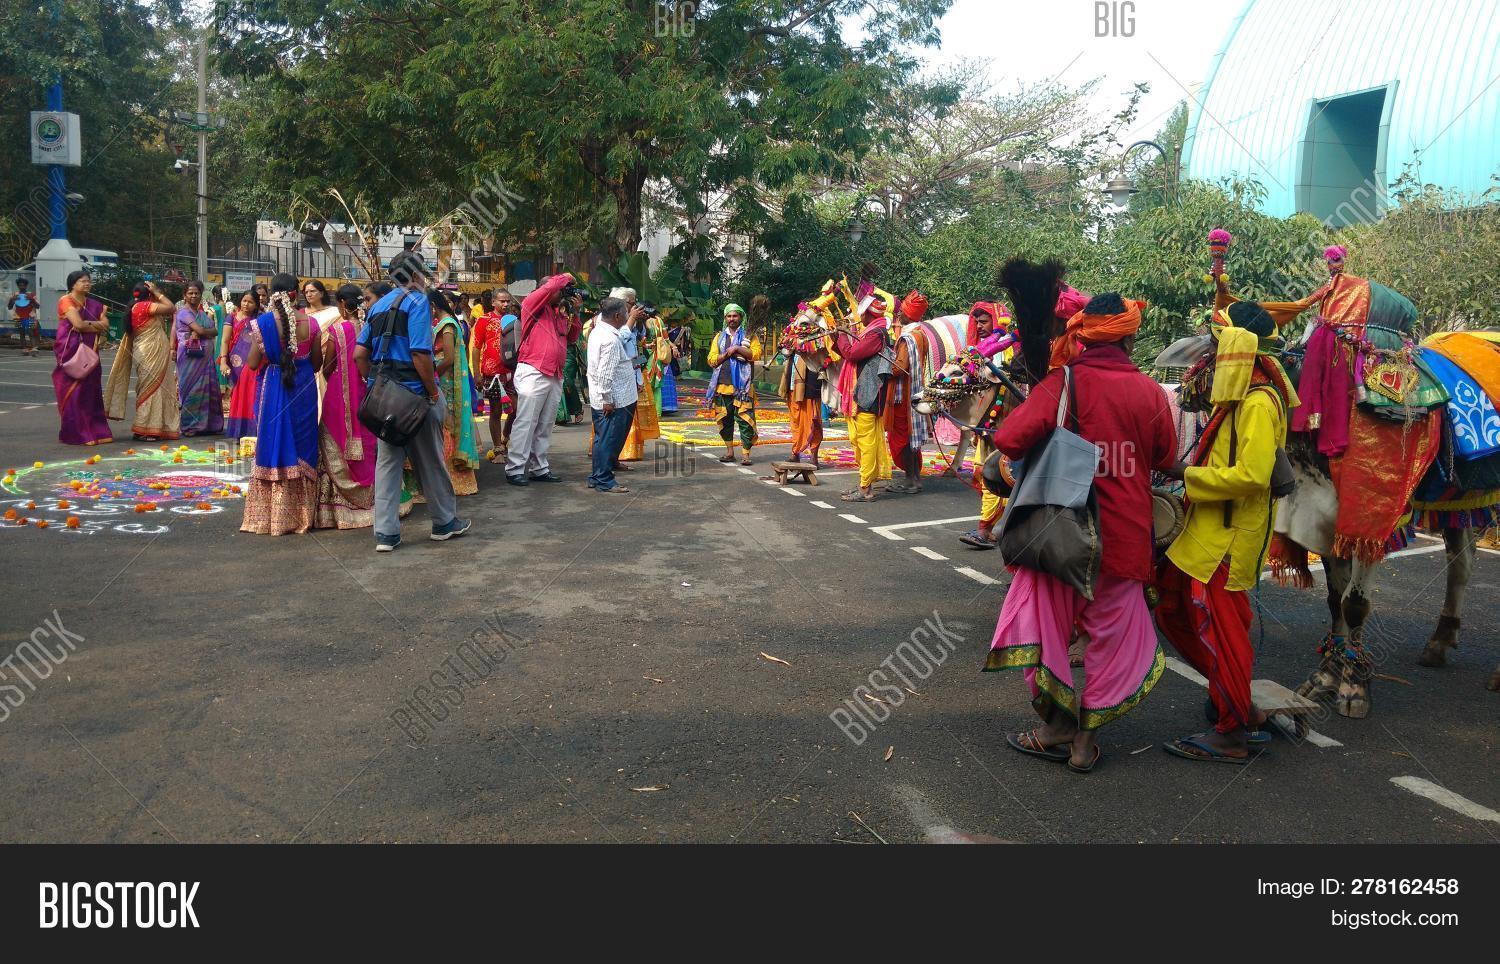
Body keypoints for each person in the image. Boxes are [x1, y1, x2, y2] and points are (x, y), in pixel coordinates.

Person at [986, 293, 1177, 773]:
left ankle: (1054, 728)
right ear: (1130, 337)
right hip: (1126, 537)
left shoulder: (1064, 381)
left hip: (1059, 534)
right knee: (1114, 638)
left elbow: (1008, 439)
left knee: (1045, 626)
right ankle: (1084, 743)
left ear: (1084, 335)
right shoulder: (1152, 392)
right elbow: (1164, 459)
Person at [1155, 301, 1297, 763]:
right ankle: (1231, 698)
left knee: (1224, 631)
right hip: (1206, 529)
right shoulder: (1241, 396)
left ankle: (1233, 730)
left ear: (1235, 347)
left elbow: (1253, 477)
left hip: (1229, 536)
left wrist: (1185, 473)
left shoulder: (1257, 402)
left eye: (1216, 342)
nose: (1208, 353)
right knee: (1171, 608)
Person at [355, 251, 469, 551]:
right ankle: (444, 522)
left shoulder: (377, 306)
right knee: (430, 459)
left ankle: (386, 534)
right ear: (418, 275)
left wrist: (375, 384)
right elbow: (420, 354)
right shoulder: (417, 301)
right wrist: (432, 393)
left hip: (384, 398)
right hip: (414, 395)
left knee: (388, 463)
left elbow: (359, 355)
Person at [240, 274, 323, 535]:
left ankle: (273, 517)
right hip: (304, 389)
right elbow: (317, 363)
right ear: (294, 294)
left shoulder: (263, 323)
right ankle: (303, 515)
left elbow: (253, 364)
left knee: (274, 443)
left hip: (276, 387)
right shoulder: (311, 323)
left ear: (272, 295)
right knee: (304, 448)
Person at [506, 272, 581, 485]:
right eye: (559, 289)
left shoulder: (559, 312)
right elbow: (549, 288)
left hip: (554, 373)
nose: (562, 292)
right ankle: (515, 469)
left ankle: (539, 468)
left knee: (545, 424)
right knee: (526, 421)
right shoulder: (532, 303)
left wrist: (575, 311)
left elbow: (573, 337)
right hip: (533, 370)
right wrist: (566, 276)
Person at [314, 284, 377, 529]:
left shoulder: (338, 330)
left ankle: (337, 510)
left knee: (331, 441)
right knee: (369, 441)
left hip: (338, 397)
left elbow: (327, 367)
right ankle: (373, 501)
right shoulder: (368, 328)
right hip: (365, 394)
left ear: (341, 303)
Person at [958, 301, 1012, 549]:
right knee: (983, 472)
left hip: (1005, 420)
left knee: (993, 471)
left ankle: (985, 529)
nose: (979, 326)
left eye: (984, 321)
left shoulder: (1010, 349)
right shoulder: (976, 351)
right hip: (985, 422)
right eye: (976, 322)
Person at [104, 279, 181, 441]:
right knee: (151, 388)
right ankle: (146, 428)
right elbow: (171, 307)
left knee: (150, 387)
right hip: (150, 352)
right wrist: (158, 293)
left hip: (145, 351)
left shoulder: (134, 307)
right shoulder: (145, 306)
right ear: (150, 294)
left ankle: (148, 427)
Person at [834, 298, 894, 500]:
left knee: (865, 442)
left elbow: (852, 354)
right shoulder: (869, 332)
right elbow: (846, 353)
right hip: (860, 394)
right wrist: (836, 337)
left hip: (868, 395)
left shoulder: (876, 334)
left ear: (868, 314)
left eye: (861, 313)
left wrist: (842, 335)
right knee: (857, 440)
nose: (858, 318)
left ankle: (865, 488)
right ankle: (864, 482)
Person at [51, 269, 113, 445]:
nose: (87, 284)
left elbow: (105, 325)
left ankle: (97, 431)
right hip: (71, 351)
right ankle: (78, 432)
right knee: (75, 392)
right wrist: (95, 325)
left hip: (90, 352)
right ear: (73, 284)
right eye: (83, 281)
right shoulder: (66, 300)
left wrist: (90, 325)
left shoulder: (94, 304)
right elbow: (77, 324)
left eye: (88, 281)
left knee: (91, 391)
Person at [429, 290, 481, 495]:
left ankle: (451, 479)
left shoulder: (447, 326)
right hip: (445, 380)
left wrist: (431, 374)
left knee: (446, 427)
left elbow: (448, 358)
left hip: (446, 383)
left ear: (433, 306)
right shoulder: (448, 323)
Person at [587, 297, 637, 494]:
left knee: (603, 438)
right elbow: (605, 372)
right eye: (626, 312)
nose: (628, 315)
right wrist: (607, 400)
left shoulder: (599, 331)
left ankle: (597, 476)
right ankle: (604, 479)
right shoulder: (609, 339)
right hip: (614, 399)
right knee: (608, 439)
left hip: (611, 397)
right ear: (617, 316)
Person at [884, 290, 929, 494]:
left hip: (903, 396)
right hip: (917, 392)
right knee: (912, 439)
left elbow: (899, 367)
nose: (898, 314)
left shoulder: (907, 338)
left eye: (901, 311)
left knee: (903, 438)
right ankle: (914, 478)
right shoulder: (922, 335)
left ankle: (911, 480)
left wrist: (884, 361)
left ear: (909, 315)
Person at [778, 305, 833, 467]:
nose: (802, 327)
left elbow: (823, 358)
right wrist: (787, 344)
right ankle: (795, 453)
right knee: (795, 421)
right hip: (792, 383)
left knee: (813, 420)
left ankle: (814, 456)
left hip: (810, 385)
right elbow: (785, 352)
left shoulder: (820, 337)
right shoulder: (792, 335)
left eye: (805, 323)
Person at [706, 303, 760, 465]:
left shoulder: (750, 336)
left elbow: (755, 354)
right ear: (725, 318)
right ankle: (729, 452)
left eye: (735, 316)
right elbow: (711, 359)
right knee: (725, 420)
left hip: (743, 387)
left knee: (745, 421)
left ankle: (746, 455)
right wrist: (726, 354)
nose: (732, 319)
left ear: (741, 318)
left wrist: (737, 347)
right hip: (722, 384)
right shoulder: (719, 337)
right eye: (729, 316)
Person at [616, 289, 661, 462]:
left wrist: (639, 322)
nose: (635, 307)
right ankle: (618, 453)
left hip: (635, 368)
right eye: (632, 303)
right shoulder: (614, 321)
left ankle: (630, 451)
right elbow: (621, 340)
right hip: (621, 373)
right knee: (621, 415)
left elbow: (638, 341)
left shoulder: (632, 322)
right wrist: (632, 319)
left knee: (634, 414)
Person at [175, 280, 224, 436]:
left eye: (197, 293)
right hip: (189, 357)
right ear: (184, 295)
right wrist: (203, 331)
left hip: (205, 358)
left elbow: (214, 330)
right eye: (190, 293)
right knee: (191, 390)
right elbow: (201, 330)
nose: (194, 295)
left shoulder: (201, 313)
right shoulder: (184, 312)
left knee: (208, 389)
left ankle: (210, 425)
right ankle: (190, 426)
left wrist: (204, 331)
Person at [468, 299, 514, 460]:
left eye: (508, 301)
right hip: (492, 374)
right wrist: (476, 374)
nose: (506, 304)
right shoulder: (484, 320)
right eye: (502, 301)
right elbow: (476, 347)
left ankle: (505, 438)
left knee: (516, 410)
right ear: (493, 302)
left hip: (512, 371)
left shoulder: (514, 319)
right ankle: (497, 449)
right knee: (495, 411)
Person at [221, 290, 262, 442]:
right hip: (235, 360)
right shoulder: (231, 317)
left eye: (250, 302)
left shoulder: (258, 320)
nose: (246, 304)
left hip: (252, 363)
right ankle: (239, 432)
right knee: (238, 395)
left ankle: (252, 431)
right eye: (244, 300)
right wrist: (223, 361)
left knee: (251, 395)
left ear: (256, 305)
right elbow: (225, 341)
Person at [9, 278, 40, 355]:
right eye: (20, 285)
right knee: (21, 333)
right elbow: (9, 307)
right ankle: (24, 349)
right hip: (17, 317)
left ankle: (34, 349)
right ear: (18, 286)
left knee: (31, 332)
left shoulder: (31, 294)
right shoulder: (14, 295)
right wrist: (12, 300)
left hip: (30, 316)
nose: (21, 287)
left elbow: (38, 306)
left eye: (23, 285)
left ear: (26, 286)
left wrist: (32, 299)